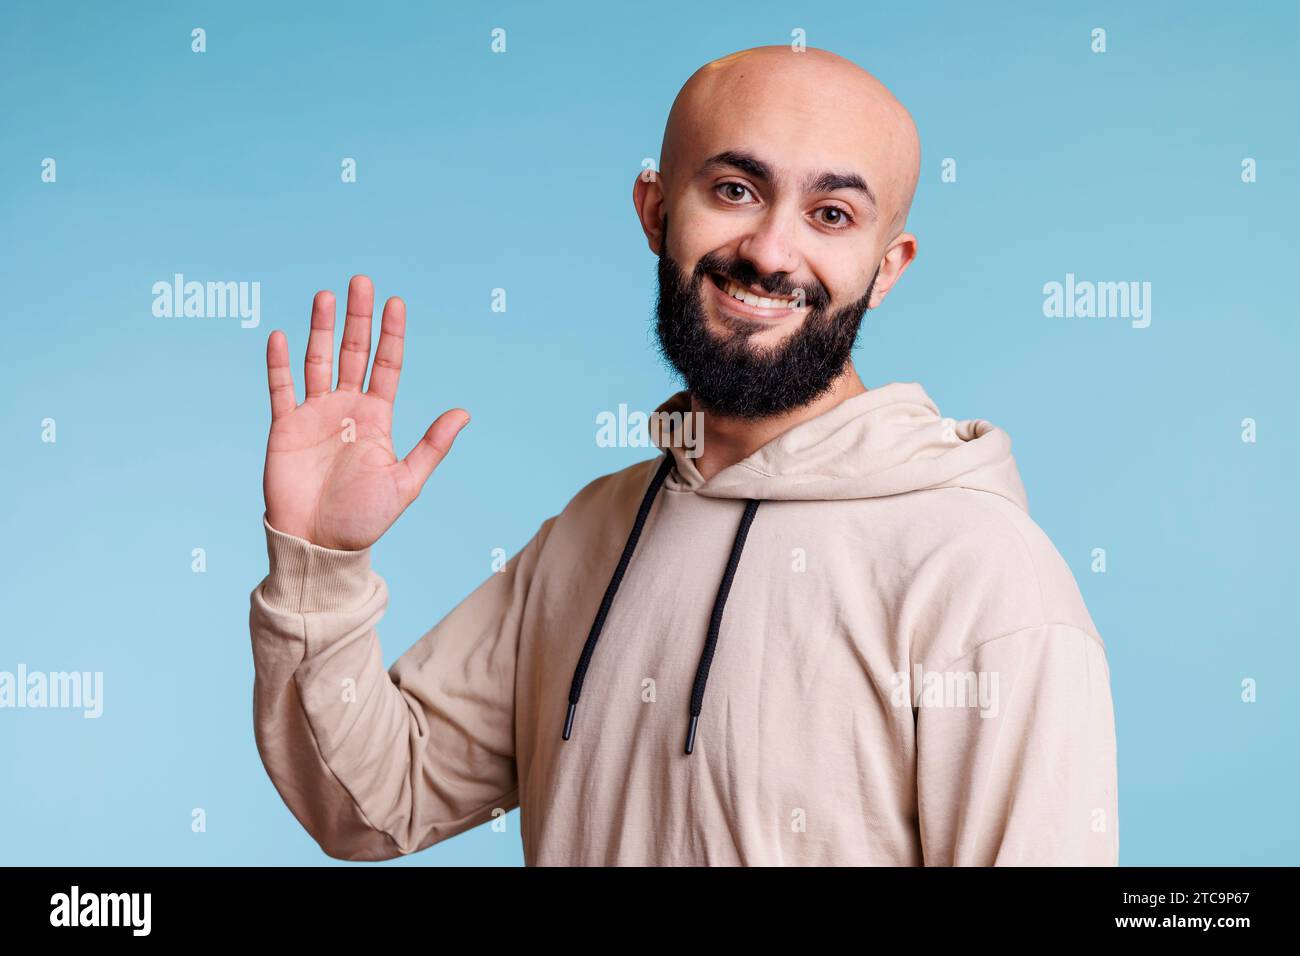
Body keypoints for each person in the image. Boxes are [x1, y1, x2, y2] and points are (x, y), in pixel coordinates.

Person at [249, 45, 1118, 865]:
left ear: (887, 268)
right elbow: (372, 802)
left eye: (831, 214)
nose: (772, 252)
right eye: (736, 189)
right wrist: (322, 567)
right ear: (657, 211)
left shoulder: (984, 576)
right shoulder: (594, 531)